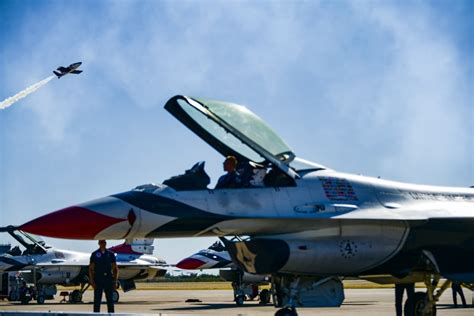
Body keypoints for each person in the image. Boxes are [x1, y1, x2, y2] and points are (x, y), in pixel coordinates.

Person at [89, 240, 119, 313]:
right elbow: (91, 269)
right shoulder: (95, 254)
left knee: (110, 301)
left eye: (104, 242)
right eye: (102, 242)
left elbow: (115, 268)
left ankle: (111, 314)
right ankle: (96, 315)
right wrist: (92, 281)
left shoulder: (111, 254)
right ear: (99, 243)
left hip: (108, 279)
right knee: (97, 301)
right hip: (98, 279)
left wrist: (115, 281)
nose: (103, 244)